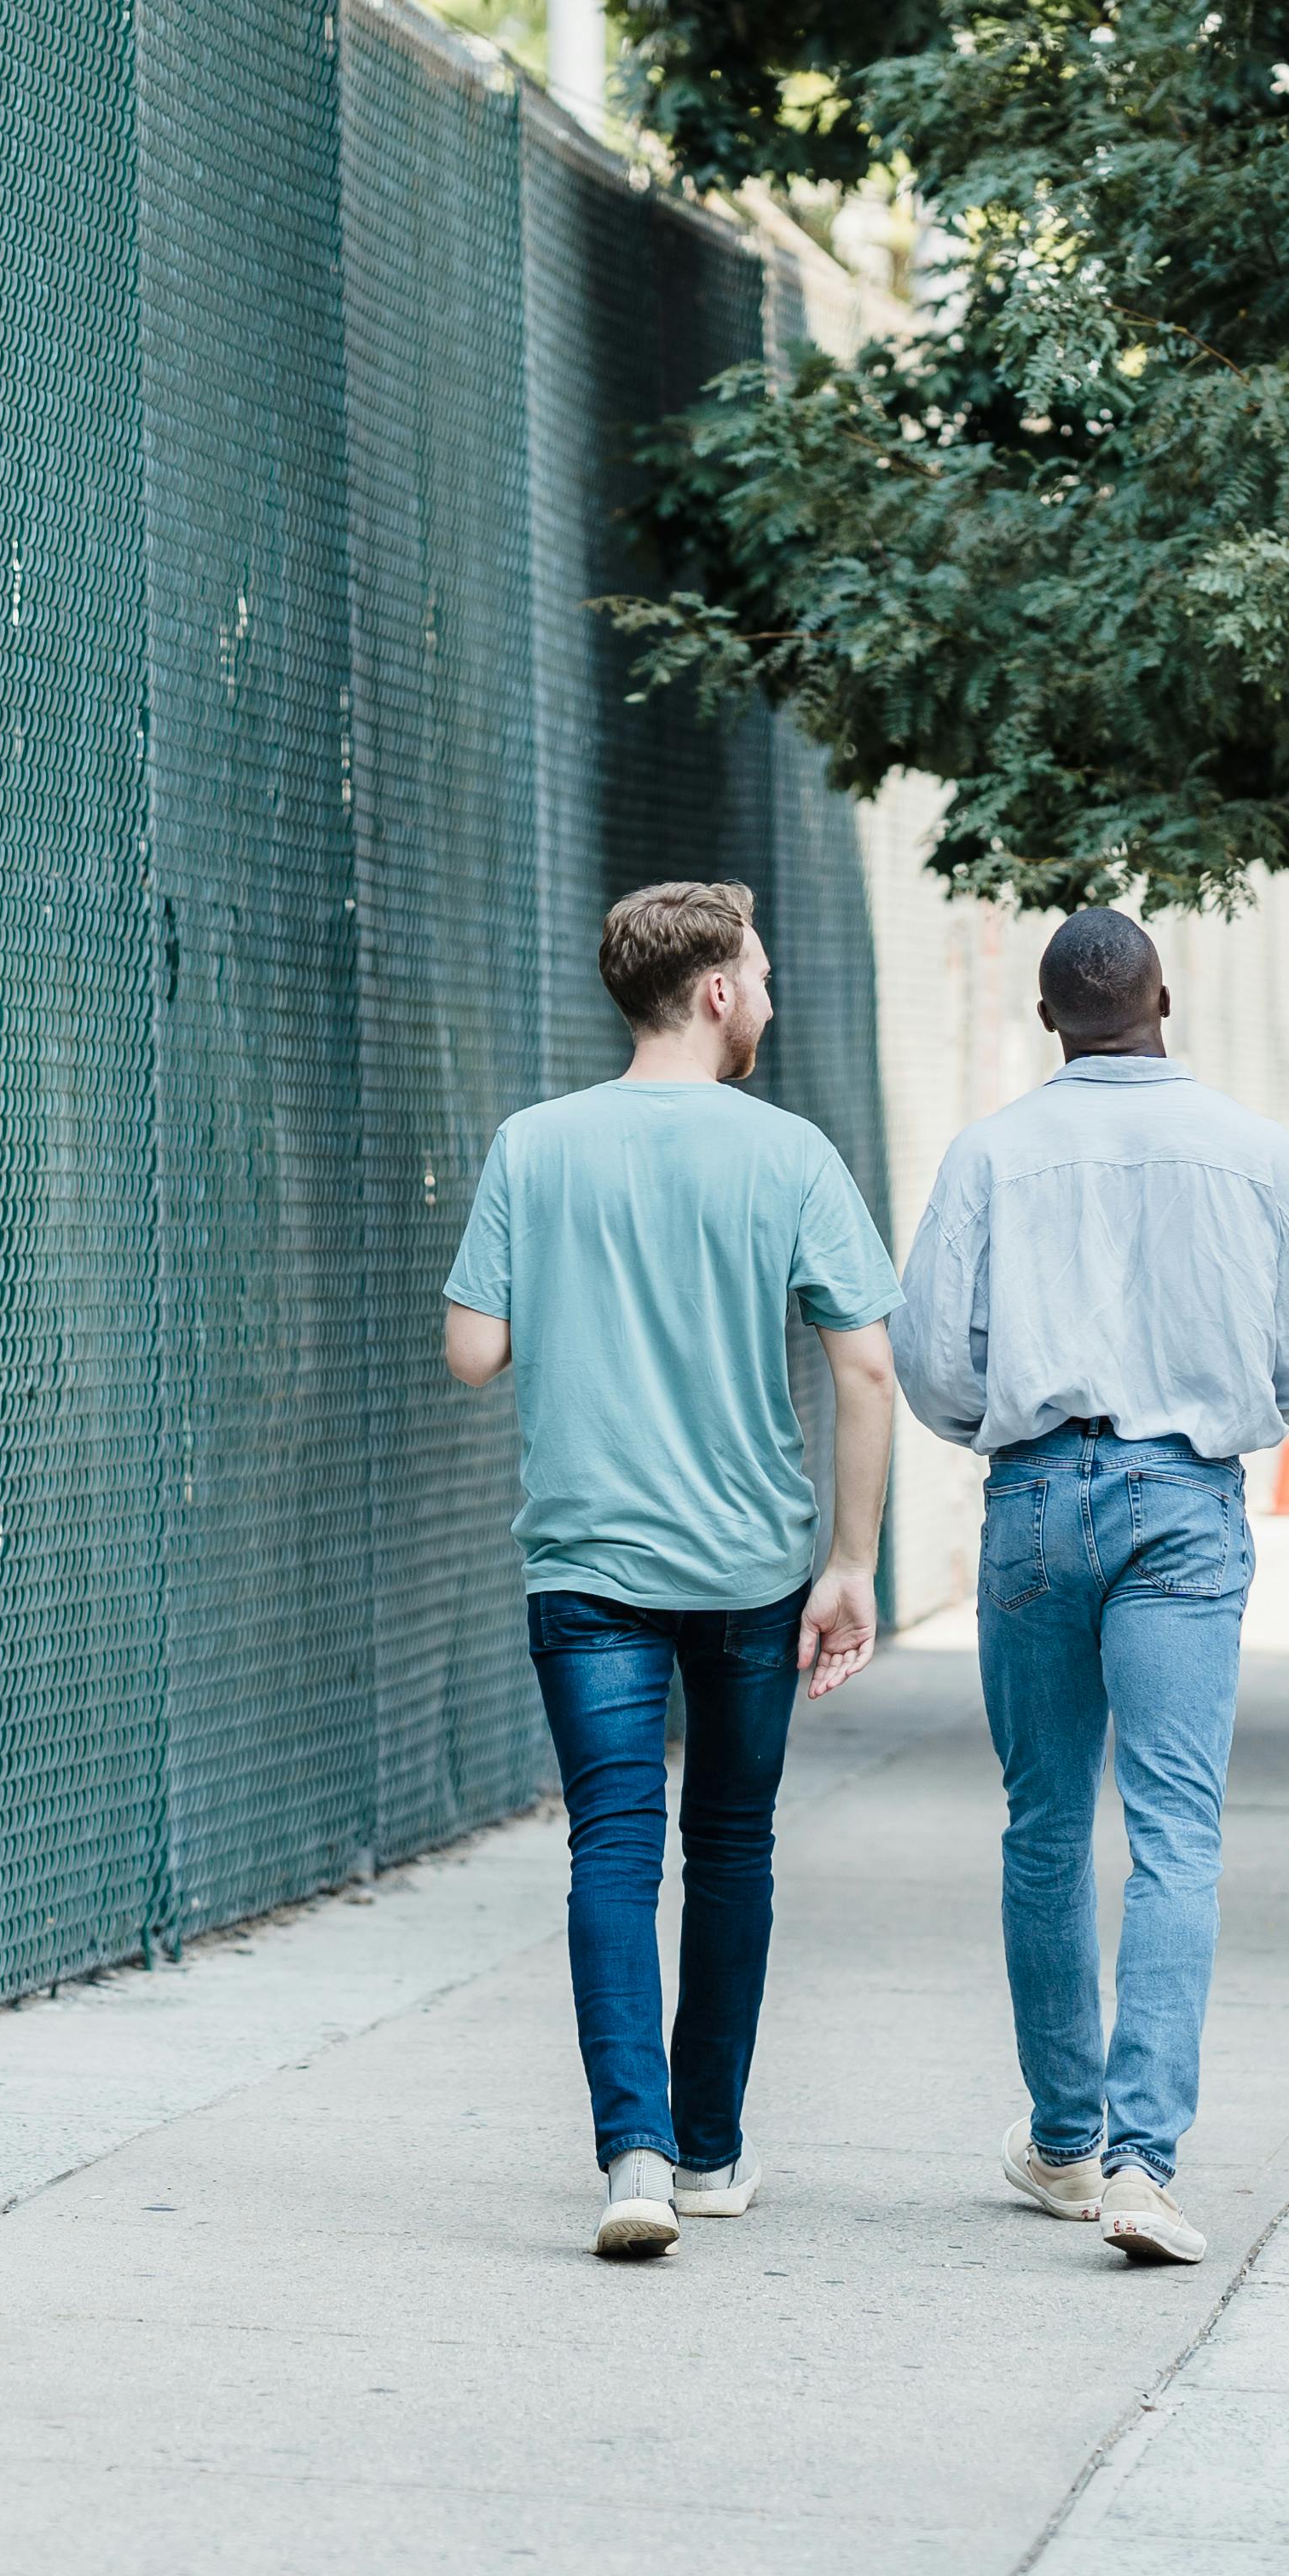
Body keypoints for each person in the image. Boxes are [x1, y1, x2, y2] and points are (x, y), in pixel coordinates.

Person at [445, 880, 900, 2260]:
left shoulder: (535, 1147)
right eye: (758, 974)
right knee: (734, 1846)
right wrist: (851, 1564)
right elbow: (867, 1366)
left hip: (584, 1565)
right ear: (714, 993)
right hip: (752, 1567)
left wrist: (587, 1304)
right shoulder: (791, 1155)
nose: (767, 995)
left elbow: (474, 1350)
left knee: (614, 1848)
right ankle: (709, 2157)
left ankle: (630, 2157)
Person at [892, 909, 1289, 2267]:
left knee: (1041, 1824)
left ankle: (1065, 2144)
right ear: (1166, 1001)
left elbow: (929, 1357)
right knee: (1175, 1833)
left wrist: (1009, 1429)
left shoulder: (992, 1153)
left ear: (1047, 1022)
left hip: (1033, 1497)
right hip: (1185, 1503)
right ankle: (1146, 2168)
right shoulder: (1257, 1153)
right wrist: (1208, 1416)